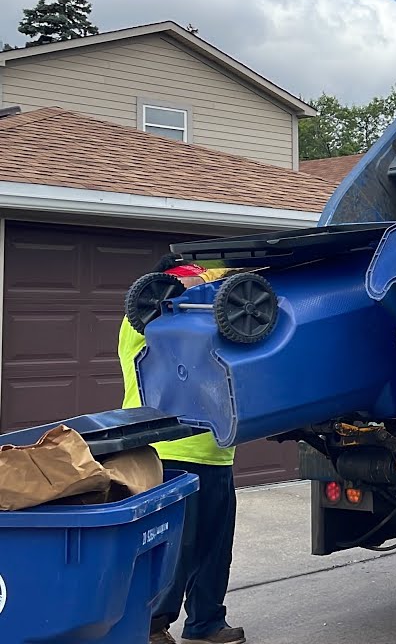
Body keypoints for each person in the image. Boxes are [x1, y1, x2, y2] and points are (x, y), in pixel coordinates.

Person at [120, 255, 245, 644]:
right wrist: (210, 281)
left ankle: (206, 621)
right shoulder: (147, 315)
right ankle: (153, 624)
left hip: (216, 449)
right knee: (174, 547)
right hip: (169, 450)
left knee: (214, 546)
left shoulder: (198, 314)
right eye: (197, 277)